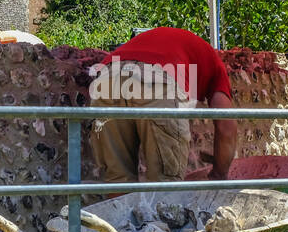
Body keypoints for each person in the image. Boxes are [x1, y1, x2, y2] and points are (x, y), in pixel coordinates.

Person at [88, 27, 237, 184]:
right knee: (167, 181)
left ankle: (118, 208)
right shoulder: (216, 64)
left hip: (107, 77)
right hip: (158, 77)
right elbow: (226, 127)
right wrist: (219, 175)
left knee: (117, 178)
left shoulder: (170, 41)